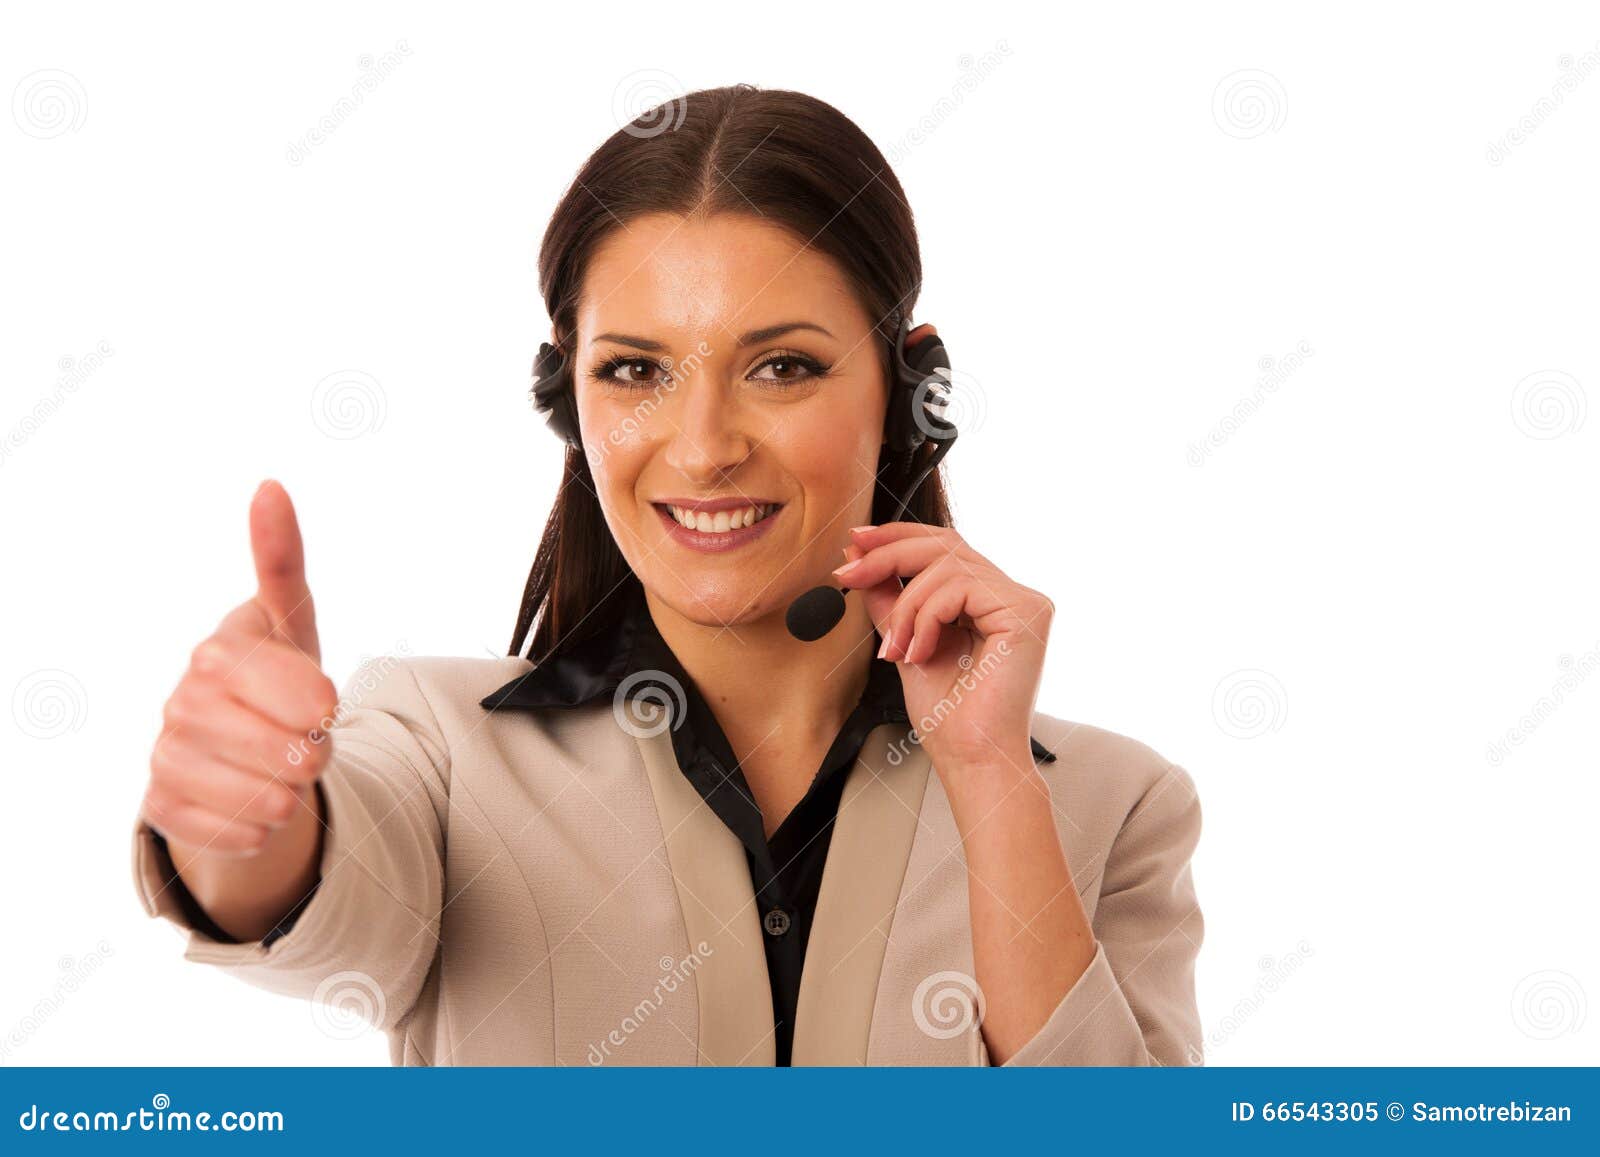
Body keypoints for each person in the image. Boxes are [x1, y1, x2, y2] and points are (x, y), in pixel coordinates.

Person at [132, 84, 1204, 1067]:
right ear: (572, 394)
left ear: (907, 382)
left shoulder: (1110, 803)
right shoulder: (437, 745)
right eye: (634, 369)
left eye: (782, 366)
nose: (701, 448)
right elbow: (312, 901)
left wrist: (990, 777)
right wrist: (241, 820)